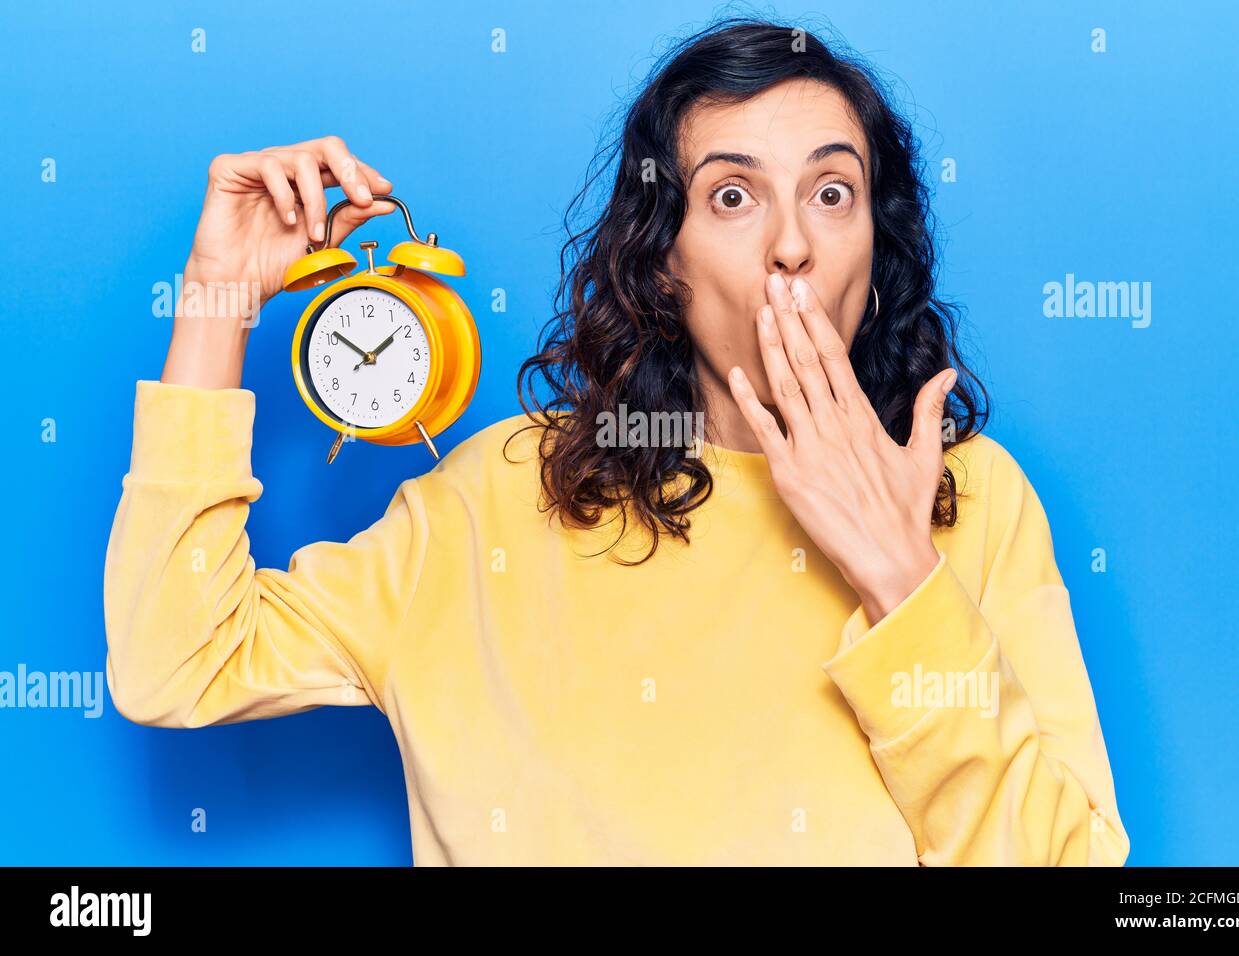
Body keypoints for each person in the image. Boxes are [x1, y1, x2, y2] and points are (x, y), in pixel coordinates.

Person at [103, 18, 1130, 866]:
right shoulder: (504, 494)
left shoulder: (970, 498)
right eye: (732, 195)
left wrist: (902, 583)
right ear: (664, 263)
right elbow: (176, 661)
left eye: (832, 191)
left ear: (874, 240)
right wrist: (217, 296)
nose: (791, 242)